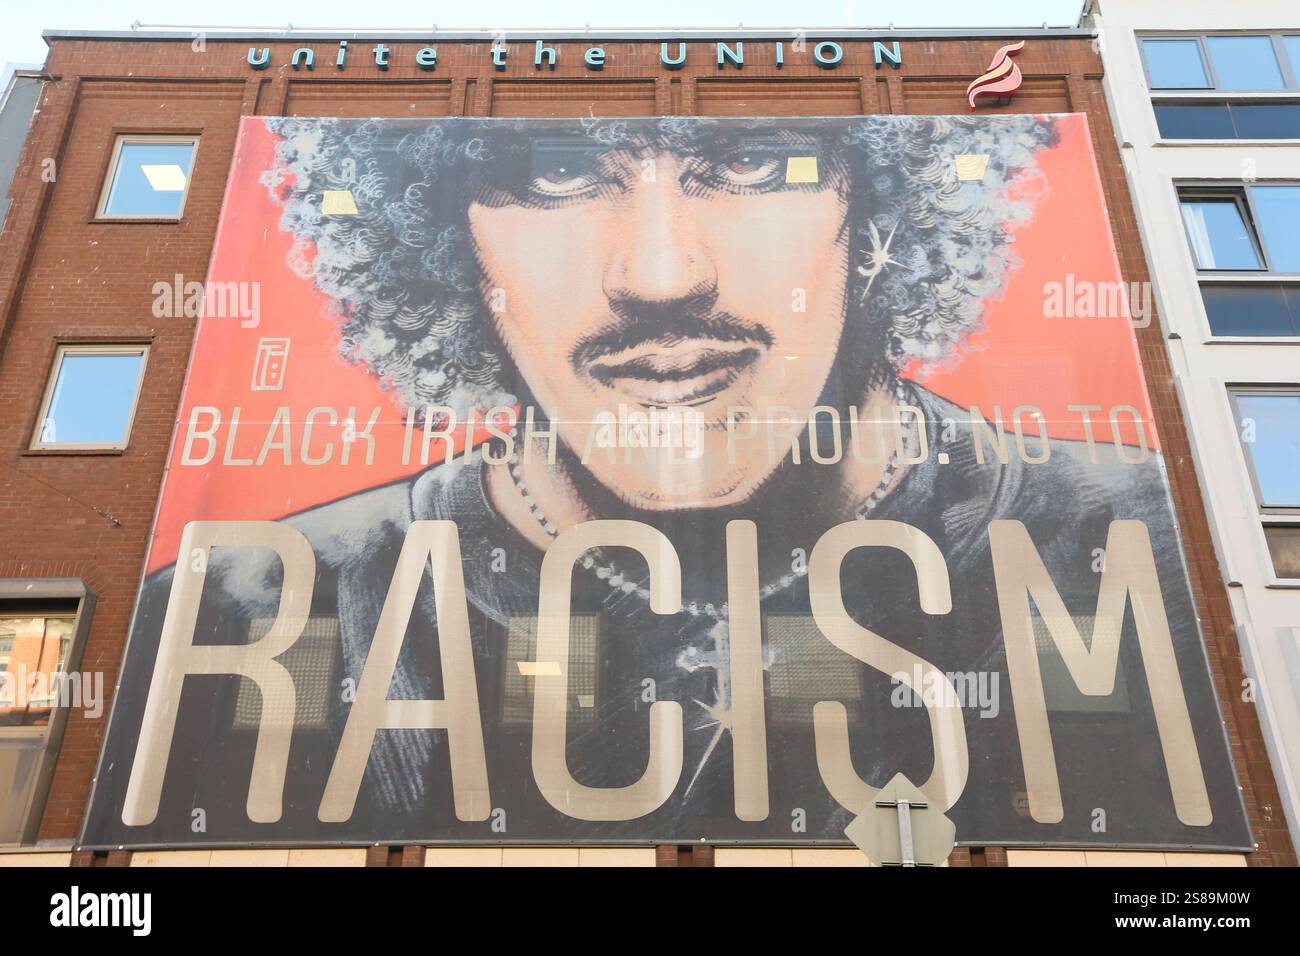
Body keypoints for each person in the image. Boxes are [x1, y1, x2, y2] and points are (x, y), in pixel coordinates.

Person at [91, 114, 1244, 848]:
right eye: (550, 172)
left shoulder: (1143, 548)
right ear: (444, 242)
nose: (659, 273)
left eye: (746, 162)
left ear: (878, 216)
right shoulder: (237, 609)